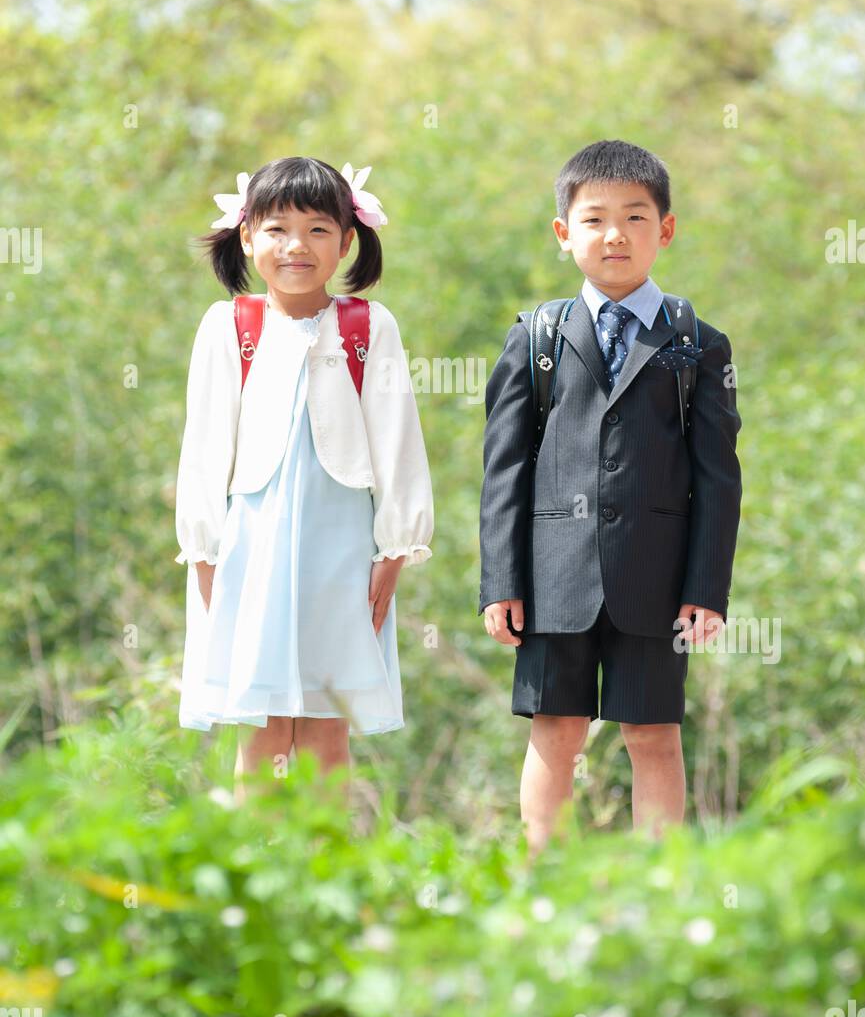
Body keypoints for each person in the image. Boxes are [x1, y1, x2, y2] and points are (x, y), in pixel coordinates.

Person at [478, 139, 742, 854]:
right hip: (550, 575)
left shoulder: (697, 344)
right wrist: (499, 582)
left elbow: (719, 477)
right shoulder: (534, 337)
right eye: (593, 219)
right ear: (564, 234)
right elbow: (503, 470)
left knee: (652, 734)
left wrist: (706, 590)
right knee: (554, 730)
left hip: (656, 579)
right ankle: (543, 881)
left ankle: (657, 891)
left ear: (666, 229)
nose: (614, 234)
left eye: (634, 216)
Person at [174, 156, 434, 801]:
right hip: (248, 548)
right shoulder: (228, 325)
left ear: (347, 241)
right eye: (277, 229)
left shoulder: (369, 327)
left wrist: (394, 551)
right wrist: (205, 555)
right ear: (246, 236)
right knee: (261, 730)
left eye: (319, 229)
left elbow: (399, 441)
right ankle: (257, 883)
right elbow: (204, 448)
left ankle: (325, 876)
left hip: (342, 547)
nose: (297, 246)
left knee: (326, 724)